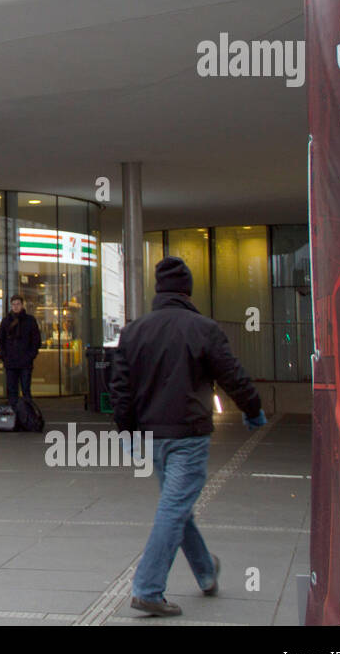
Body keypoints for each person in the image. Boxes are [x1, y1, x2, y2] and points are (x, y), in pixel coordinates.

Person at [111, 256, 266, 617]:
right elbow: (233, 375)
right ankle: (148, 589)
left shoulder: (134, 331)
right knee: (174, 506)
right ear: (188, 290)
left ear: (158, 290)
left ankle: (205, 570)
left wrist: (127, 431)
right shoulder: (202, 328)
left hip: (152, 435)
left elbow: (119, 387)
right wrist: (253, 410)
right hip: (189, 434)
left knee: (176, 504)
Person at [0, 293, 41, 415]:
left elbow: (36, 340)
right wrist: (4, 356)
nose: (15, 307)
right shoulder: (6, 321)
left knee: (26, 390)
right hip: (11, 362)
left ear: (22, 305)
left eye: (18, 304)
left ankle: (28, 416)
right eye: (13, 304)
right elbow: (0, 340)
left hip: (25, 362)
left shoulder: (30, 321)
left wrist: (30, 356)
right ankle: (14, 416)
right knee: (12, 391)